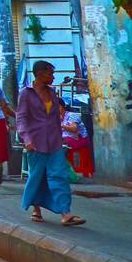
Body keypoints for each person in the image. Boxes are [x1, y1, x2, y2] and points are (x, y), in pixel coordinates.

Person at [17, 60, 85, 227]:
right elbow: (21, 118)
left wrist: (61, 137)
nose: (53, 77)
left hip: (54, 141)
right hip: (35, 142)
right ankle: (36, 209)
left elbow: (55, 117)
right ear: (39, 74)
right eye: (50, 73)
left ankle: (65, 213)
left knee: (59, 175)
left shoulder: (53, 92)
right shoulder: (26, 93)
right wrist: (26, 139)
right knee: (37, 176)